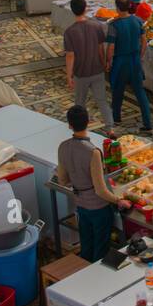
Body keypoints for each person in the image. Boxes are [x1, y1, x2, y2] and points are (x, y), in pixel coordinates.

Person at [56, 105, 128, 262]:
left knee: (86, 246)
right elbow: (100, 190)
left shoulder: (63, 147)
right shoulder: (92, 152)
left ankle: (83, 276)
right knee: (100, 250)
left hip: (81, 204)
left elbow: (62, 180)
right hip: (99, 208)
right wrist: (119, 200)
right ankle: (96, 280)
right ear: (89, 122)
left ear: (69, 125)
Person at [64, 0, 115, 132]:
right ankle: (110, 128)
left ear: (72, 10)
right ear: (86, 8)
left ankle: (80, 128)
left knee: (80, 104)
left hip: (81, 73)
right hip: (97, 70)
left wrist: (69, 75)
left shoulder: (69, 32)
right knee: (102, 101)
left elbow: (70, 56)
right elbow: (100, 48)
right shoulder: (96, 26)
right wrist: (104, 63)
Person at [107, 0, 153, 131]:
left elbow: (111, 47)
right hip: (135, 60)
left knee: (117, 91)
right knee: (140, 92)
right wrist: (140, 55)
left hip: (120, 62)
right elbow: (144, 41)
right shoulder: (138, 21)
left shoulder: (113, 25)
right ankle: (148, 123)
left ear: (117, 8)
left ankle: (116, 118)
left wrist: (108, 62)